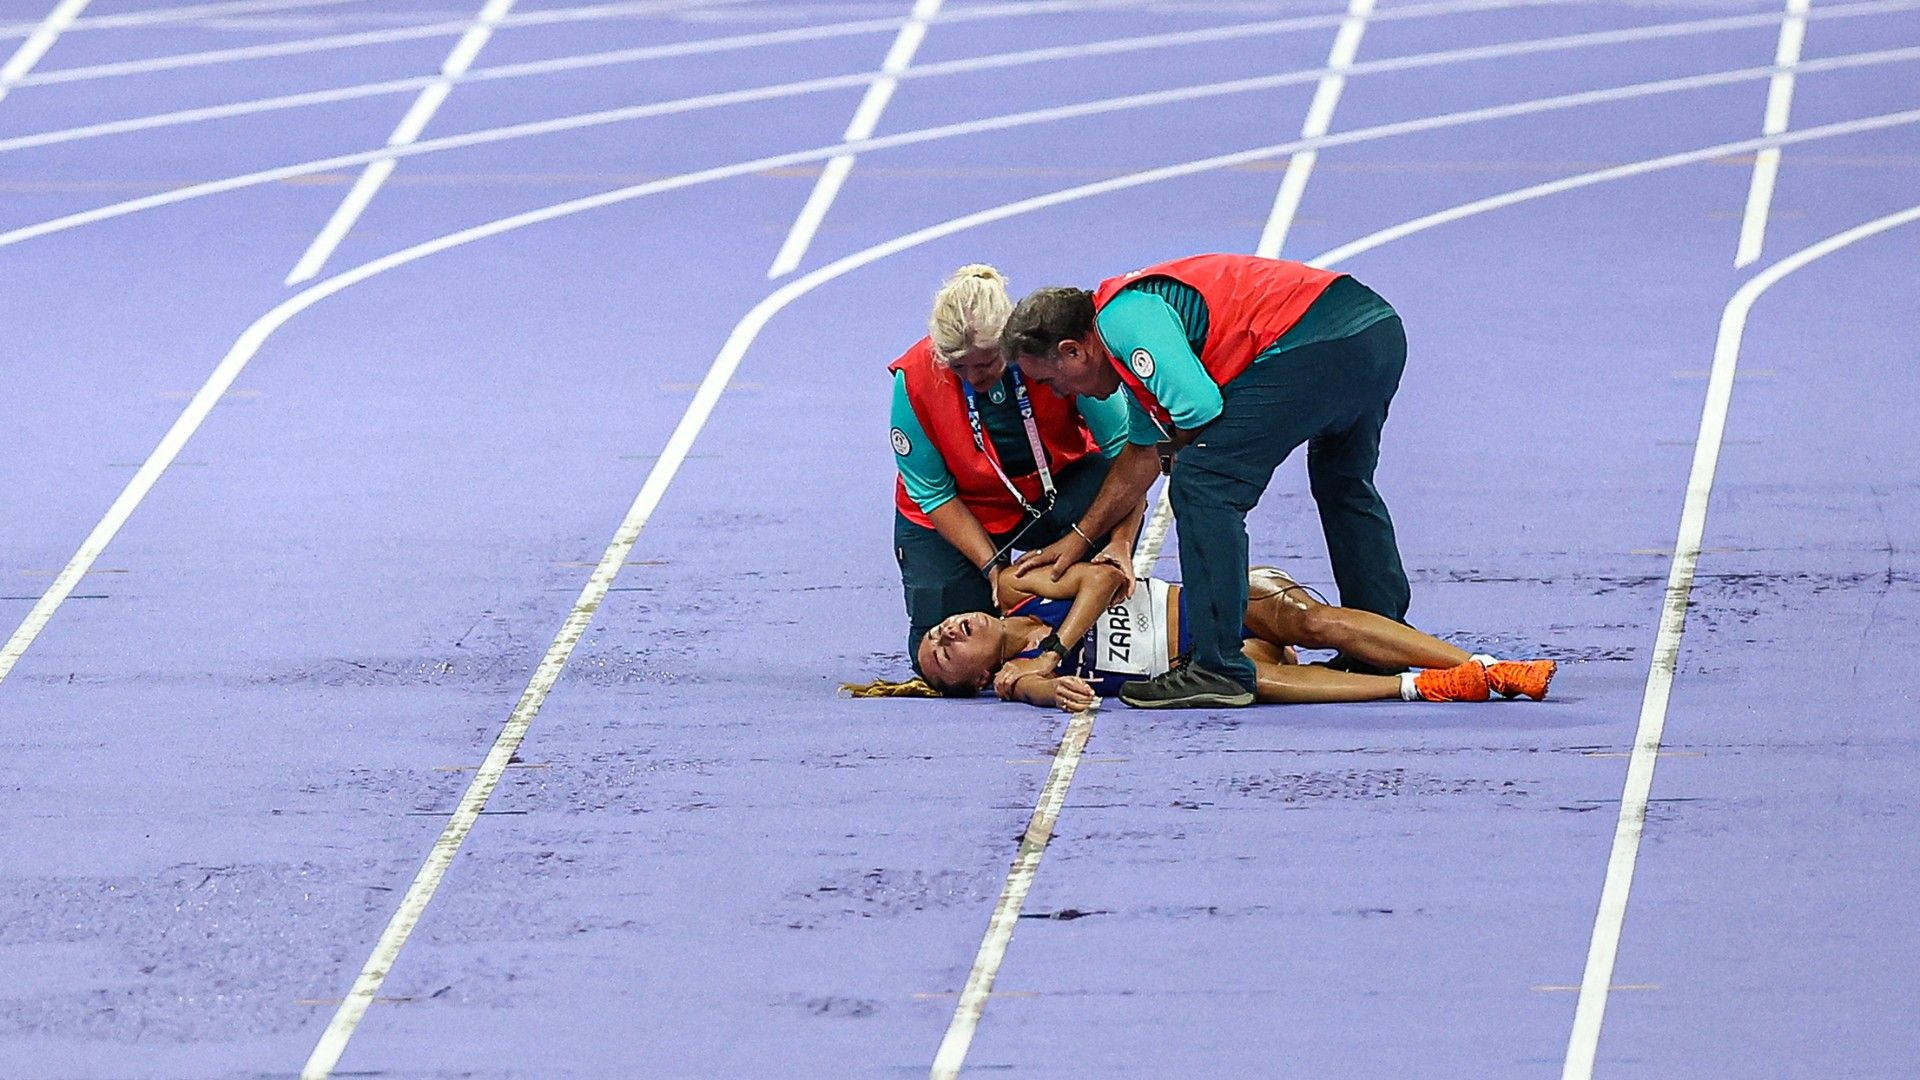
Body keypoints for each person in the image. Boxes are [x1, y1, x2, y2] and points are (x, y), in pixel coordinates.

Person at [1001, 254, 1413, 708]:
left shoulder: (1121, 319)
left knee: (1202, 484)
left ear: (1073, 351)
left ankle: (1219, 668)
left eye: (1051, 381)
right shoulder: (1129, 357)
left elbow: (1197, 411)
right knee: (1342, 482)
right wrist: (1079, 539)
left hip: (1320, 339)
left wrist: (1175, 456)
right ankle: (1380, 641)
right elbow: (1141, 455)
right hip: (1373, 331)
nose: (1059, 393)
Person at [891, 264, 1142, 673]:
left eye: (986, 364)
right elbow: (934, 493)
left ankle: (1073, 623)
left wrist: (1120, 546)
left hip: (1053, 493)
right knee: (944, 661)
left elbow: (1129, 455)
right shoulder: (914, 379)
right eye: (958, 368)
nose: (974, 377)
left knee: (1109, 491)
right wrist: (993, 567)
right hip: (960, 512)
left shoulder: (1048, 352)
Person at [917, 561, 1555, 711]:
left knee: (1313, 621)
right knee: (1253, 679)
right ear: (980, 678)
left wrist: (1057, 649)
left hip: (1223, 600)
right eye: (946, 652)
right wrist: (1036, 682)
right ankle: (1425, 685)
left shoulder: (1020, 586)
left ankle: (1488, 665)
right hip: (1215, 658)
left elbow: (1105, 577)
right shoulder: (1017, 678)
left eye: (938, 630)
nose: (947, 631)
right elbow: (1041, 691)